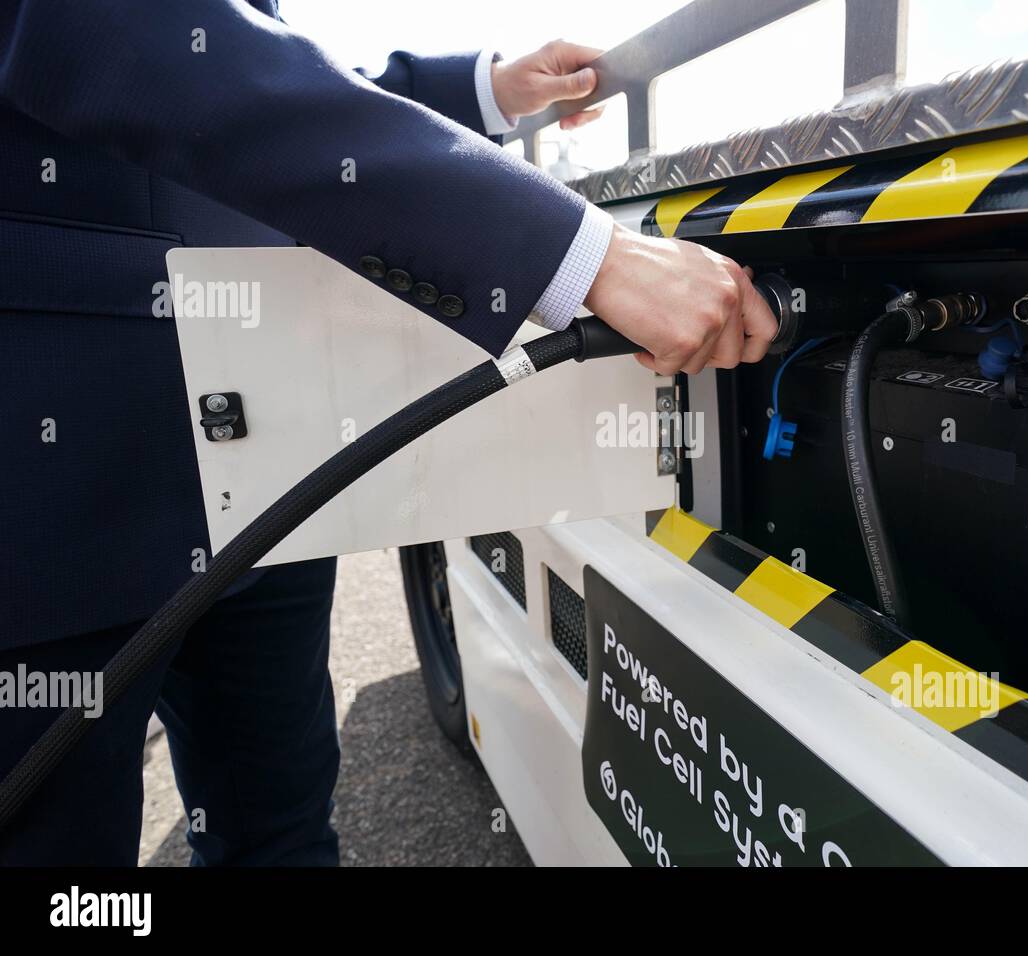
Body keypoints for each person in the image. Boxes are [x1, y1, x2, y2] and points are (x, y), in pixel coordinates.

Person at [0, 0, 777, 865]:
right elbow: (149, 47)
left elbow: (246, 61)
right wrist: (581, 253)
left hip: (276, 459)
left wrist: (482, 89)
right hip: (66, 476)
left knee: (282, 826)